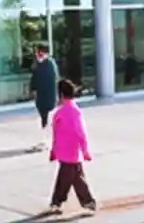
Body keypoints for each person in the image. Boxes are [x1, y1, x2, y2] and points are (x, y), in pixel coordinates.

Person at [46, 79, 97, 216]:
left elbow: (55, 134)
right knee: (73, 177)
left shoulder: (59, 113)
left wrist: (54, 150)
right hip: (74, 152)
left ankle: (59, 202)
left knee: (69, 178)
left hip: (64, 152)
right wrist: (85, 150)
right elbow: (81, 133)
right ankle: (86, 202)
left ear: (61, 95)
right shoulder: (75, 111)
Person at [30, 44, 60, 153]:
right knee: (43, 119)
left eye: (38, 52)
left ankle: (46, 141)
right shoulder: (40, 64)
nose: (36, 54)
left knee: (47, 119)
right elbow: (35, 78)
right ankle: (44, 140)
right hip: (42, 98)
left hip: (47, 98)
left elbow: (48, 83)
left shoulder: (49, 65)